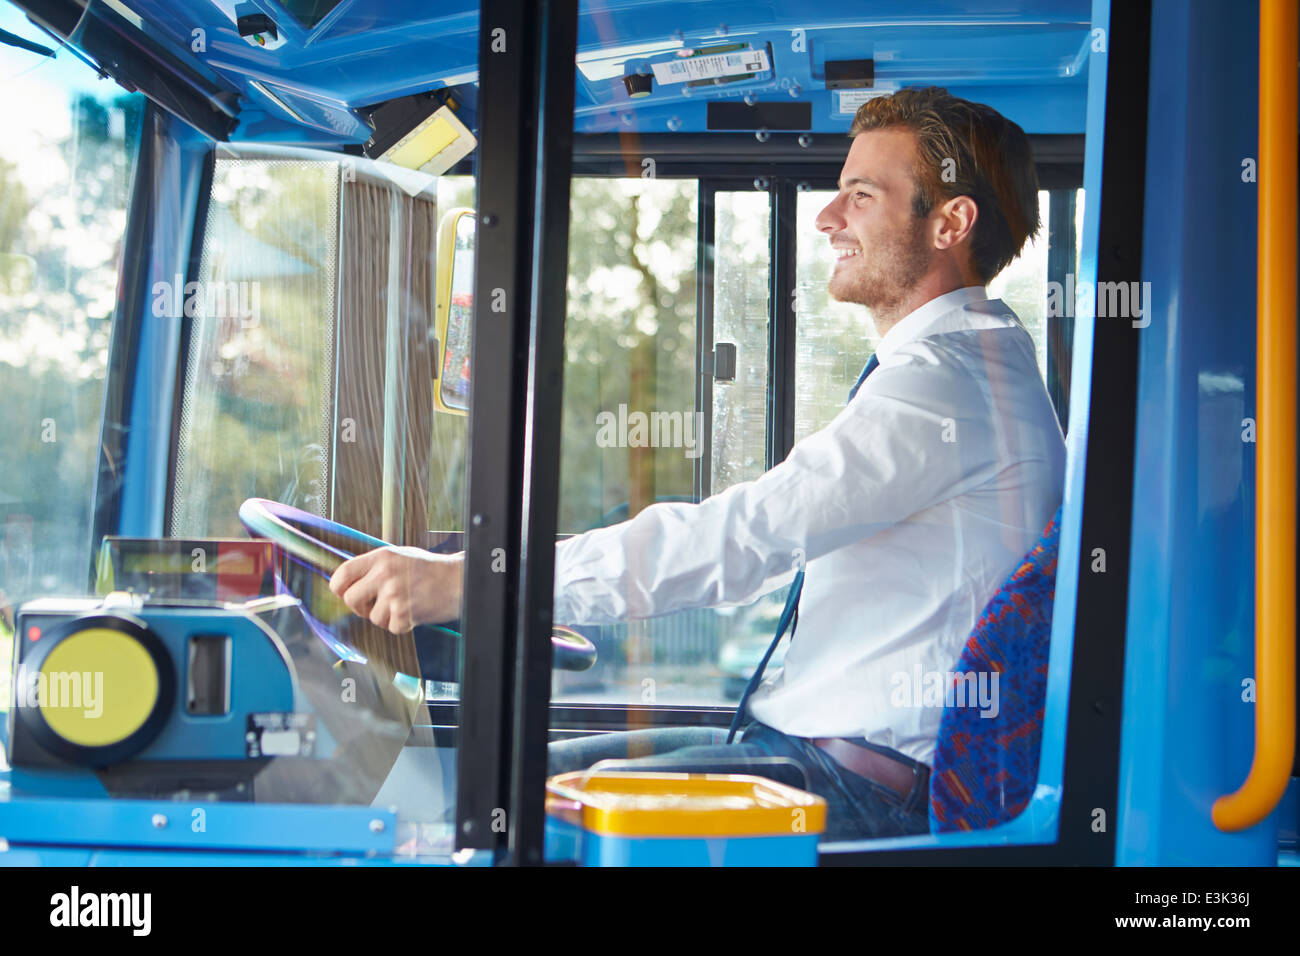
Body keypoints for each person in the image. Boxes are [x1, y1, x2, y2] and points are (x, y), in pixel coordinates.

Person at [328, 86, 1066, 842]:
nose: (826, 217)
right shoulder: (973, 368)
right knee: (504, 779)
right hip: (812, 758)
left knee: (498, 806)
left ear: (951, 222)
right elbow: (774, 541)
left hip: (851, 788)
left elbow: (739, 539)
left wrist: (474, 582)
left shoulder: (943, 385)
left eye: (861, 195)